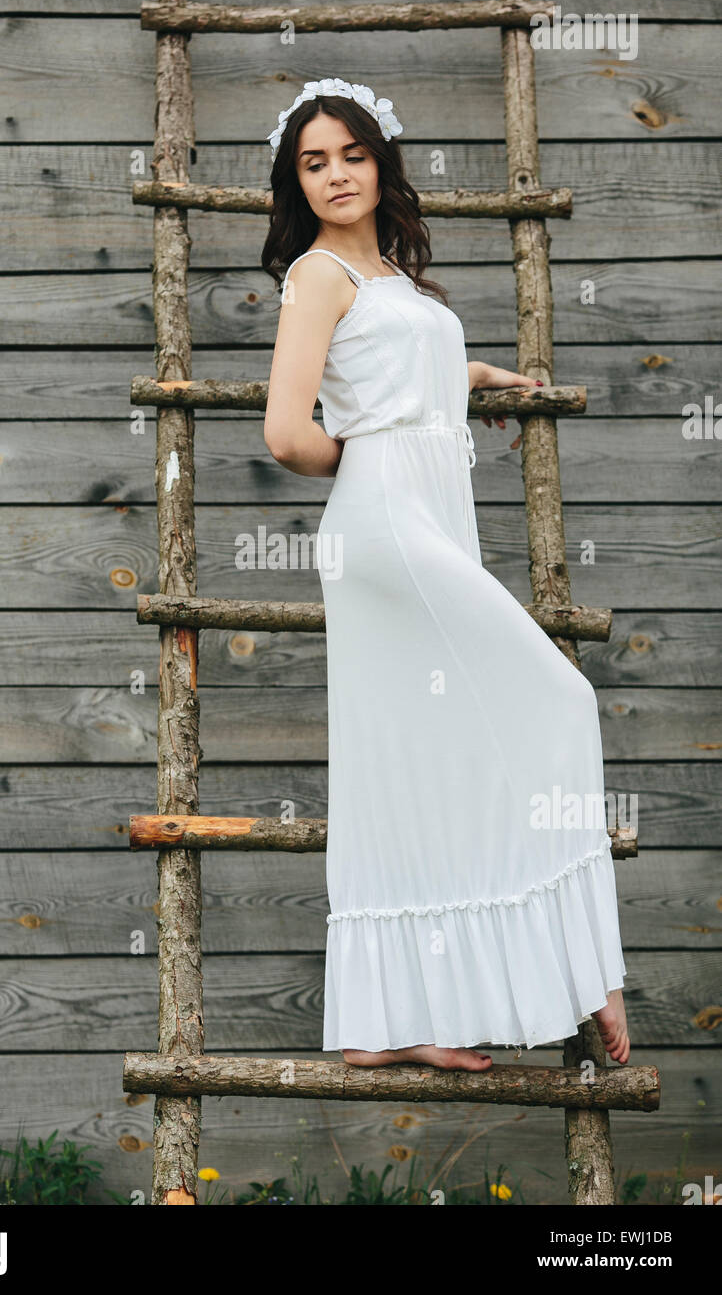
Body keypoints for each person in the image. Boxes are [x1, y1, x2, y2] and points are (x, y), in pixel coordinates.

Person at [262, 78, 629, 1072]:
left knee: (413, 755)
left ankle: (387, 1022)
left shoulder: (385, 273)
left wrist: (471, 379)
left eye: (352, 155)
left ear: (380, 162)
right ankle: (587, 968)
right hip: (386, 525)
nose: (337, 175)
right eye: (314, 163)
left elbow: (394, 370)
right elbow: (287, 432)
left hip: (422, 515)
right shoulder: (315, 275)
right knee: (558, 700)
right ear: (297, 182)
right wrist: (378, 457)